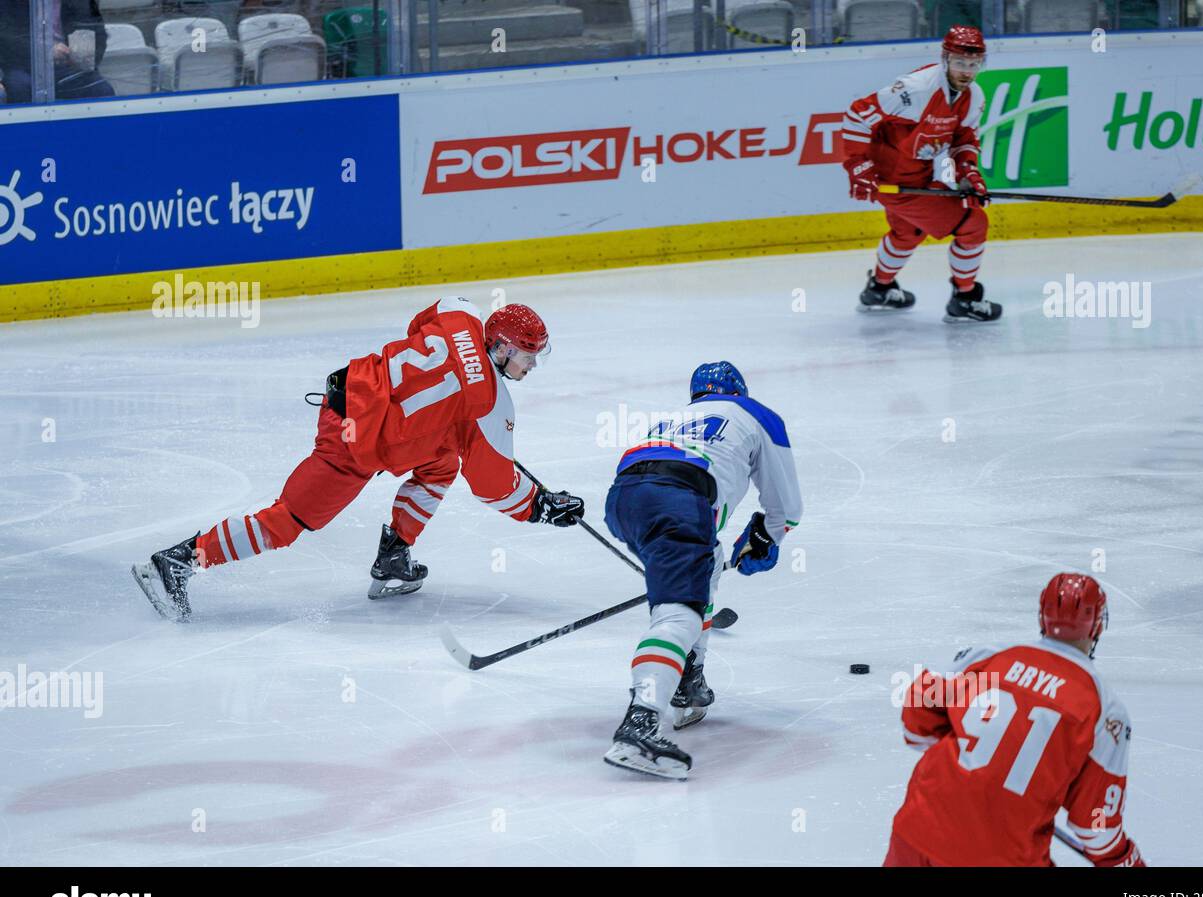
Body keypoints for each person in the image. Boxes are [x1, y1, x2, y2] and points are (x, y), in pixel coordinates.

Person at [133, 297, 585, 621]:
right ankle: (180, 560)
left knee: (443, 460)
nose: (532, 366)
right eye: (528, 356)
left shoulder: (459, 310)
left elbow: (418, 326)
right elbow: (495, 486)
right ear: (504, 348)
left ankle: (394, 556)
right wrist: (540, 506)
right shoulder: (491, 405)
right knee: (288, 520)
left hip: (352, 389)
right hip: (353, 442)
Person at [601, 362, 803, 779]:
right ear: (740, 391)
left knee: (704, 567)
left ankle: (687, 675)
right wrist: (767, 539)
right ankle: (640, 722)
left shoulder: (675, 416)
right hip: (678, 501)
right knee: (678, 614)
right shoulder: (756, 414)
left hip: (622, 501)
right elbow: (786, 509)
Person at [885, 573, 1145, 866]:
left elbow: (921, 700)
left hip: (918, 832)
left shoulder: (990, 658)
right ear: (1098, 625)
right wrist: (1125, 858)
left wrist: (954, 748)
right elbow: (1095, 828)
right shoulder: (1106, 711)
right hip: (1004, 855)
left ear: (1042, 616)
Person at [840, 24, 1001, 322]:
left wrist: (968, 172)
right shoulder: (916, 90)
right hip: (892, 179)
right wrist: (859, 167)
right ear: (945, 59)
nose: (966, 71)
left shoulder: (973, 96)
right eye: (959, 62)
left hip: (917, 175)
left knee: (907, 233)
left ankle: (879, 289)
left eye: (973, 64)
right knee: (973, 223)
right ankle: (965, 298)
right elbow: (857, 114)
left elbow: (964, 139)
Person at [0, 0, 115, 103]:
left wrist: (84, 54)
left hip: (69, 67)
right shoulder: (12, 2)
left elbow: (99, 34)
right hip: (25, 66)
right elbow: (7, 37)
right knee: (19, 87)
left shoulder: (80, 2)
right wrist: (45, 51)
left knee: (101, 89)